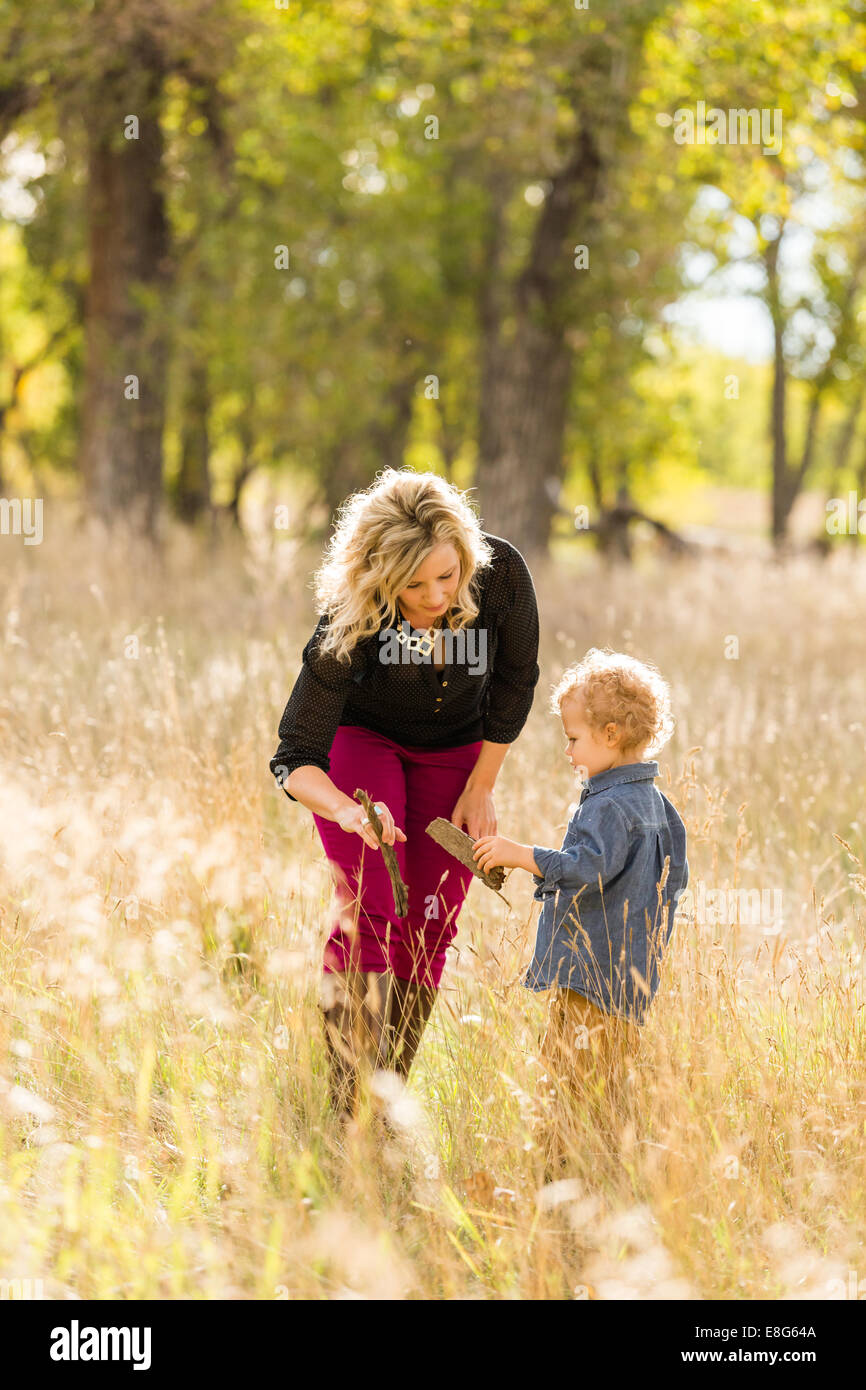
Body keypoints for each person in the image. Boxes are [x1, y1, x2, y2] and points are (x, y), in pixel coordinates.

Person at [269, 467, 540, 1122]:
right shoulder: (353, 613)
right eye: (413, 585)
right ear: (378, 576)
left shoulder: (500, 574)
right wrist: (347, 810)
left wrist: (482, 786)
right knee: (371, 910)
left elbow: (514, 681)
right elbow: (294, 759)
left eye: (446, 576)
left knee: (430, 925)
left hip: (458, 750)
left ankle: (384, 1101)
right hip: (367, 742)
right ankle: (341, 1111)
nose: (435, 595)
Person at [473, 647, 689, 1171]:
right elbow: (673, 882)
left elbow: (587, 866)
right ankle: (603, 1172)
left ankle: (561, 1176)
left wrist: (521, 856)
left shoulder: (611, 804)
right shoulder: (661, 807)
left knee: (567, 1084)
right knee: (608, 1085)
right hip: (630, 975)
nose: (568, 751)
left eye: (573, 739)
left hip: (589, 975)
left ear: (610, 735)